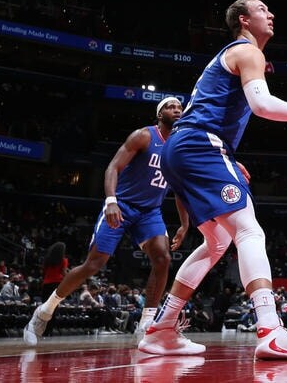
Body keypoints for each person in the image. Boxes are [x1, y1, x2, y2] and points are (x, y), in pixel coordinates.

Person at [137, 0, 287, 361]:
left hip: (189, 148)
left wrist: (228, 159)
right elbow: (262, 106)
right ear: (244, 20)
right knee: (249, 230)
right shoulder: (247, 51)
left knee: (217, 242)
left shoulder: (235, 56)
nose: (271, 13)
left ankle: (161, 329)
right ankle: (269, 328)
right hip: (199, 145)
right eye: (262, 9)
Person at [24, 96, 191, 346]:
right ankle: (45, 310)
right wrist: (111, 201)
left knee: (163, 258)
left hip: (150, 212)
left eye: (179, 107)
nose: (176, 110)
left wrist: (185, 223)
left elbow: (180, 189)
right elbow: (112, 167)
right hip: (122, 204)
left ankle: (146, 322)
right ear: (159, 114)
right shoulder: (143, 136)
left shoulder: (178, 148)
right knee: (94, 264)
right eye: (170, 106)